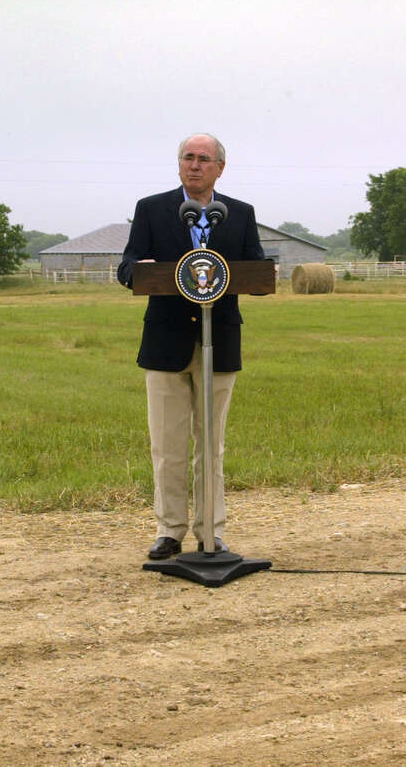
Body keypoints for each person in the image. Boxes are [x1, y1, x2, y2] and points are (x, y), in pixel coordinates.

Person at [117, 133, 265, 560]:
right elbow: (128, 266)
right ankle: (170, 530)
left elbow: (254, 269)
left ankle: (209, 532)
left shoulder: (239, 213)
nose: (195, 165)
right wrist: (136, 271)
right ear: (178, 164)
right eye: (188, 157)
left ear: (220, 167)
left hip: (219, 341)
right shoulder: (151, 209)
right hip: (165, 344)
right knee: (167, 444)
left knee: (211, 444)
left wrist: (256, 279)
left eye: (204, 159)